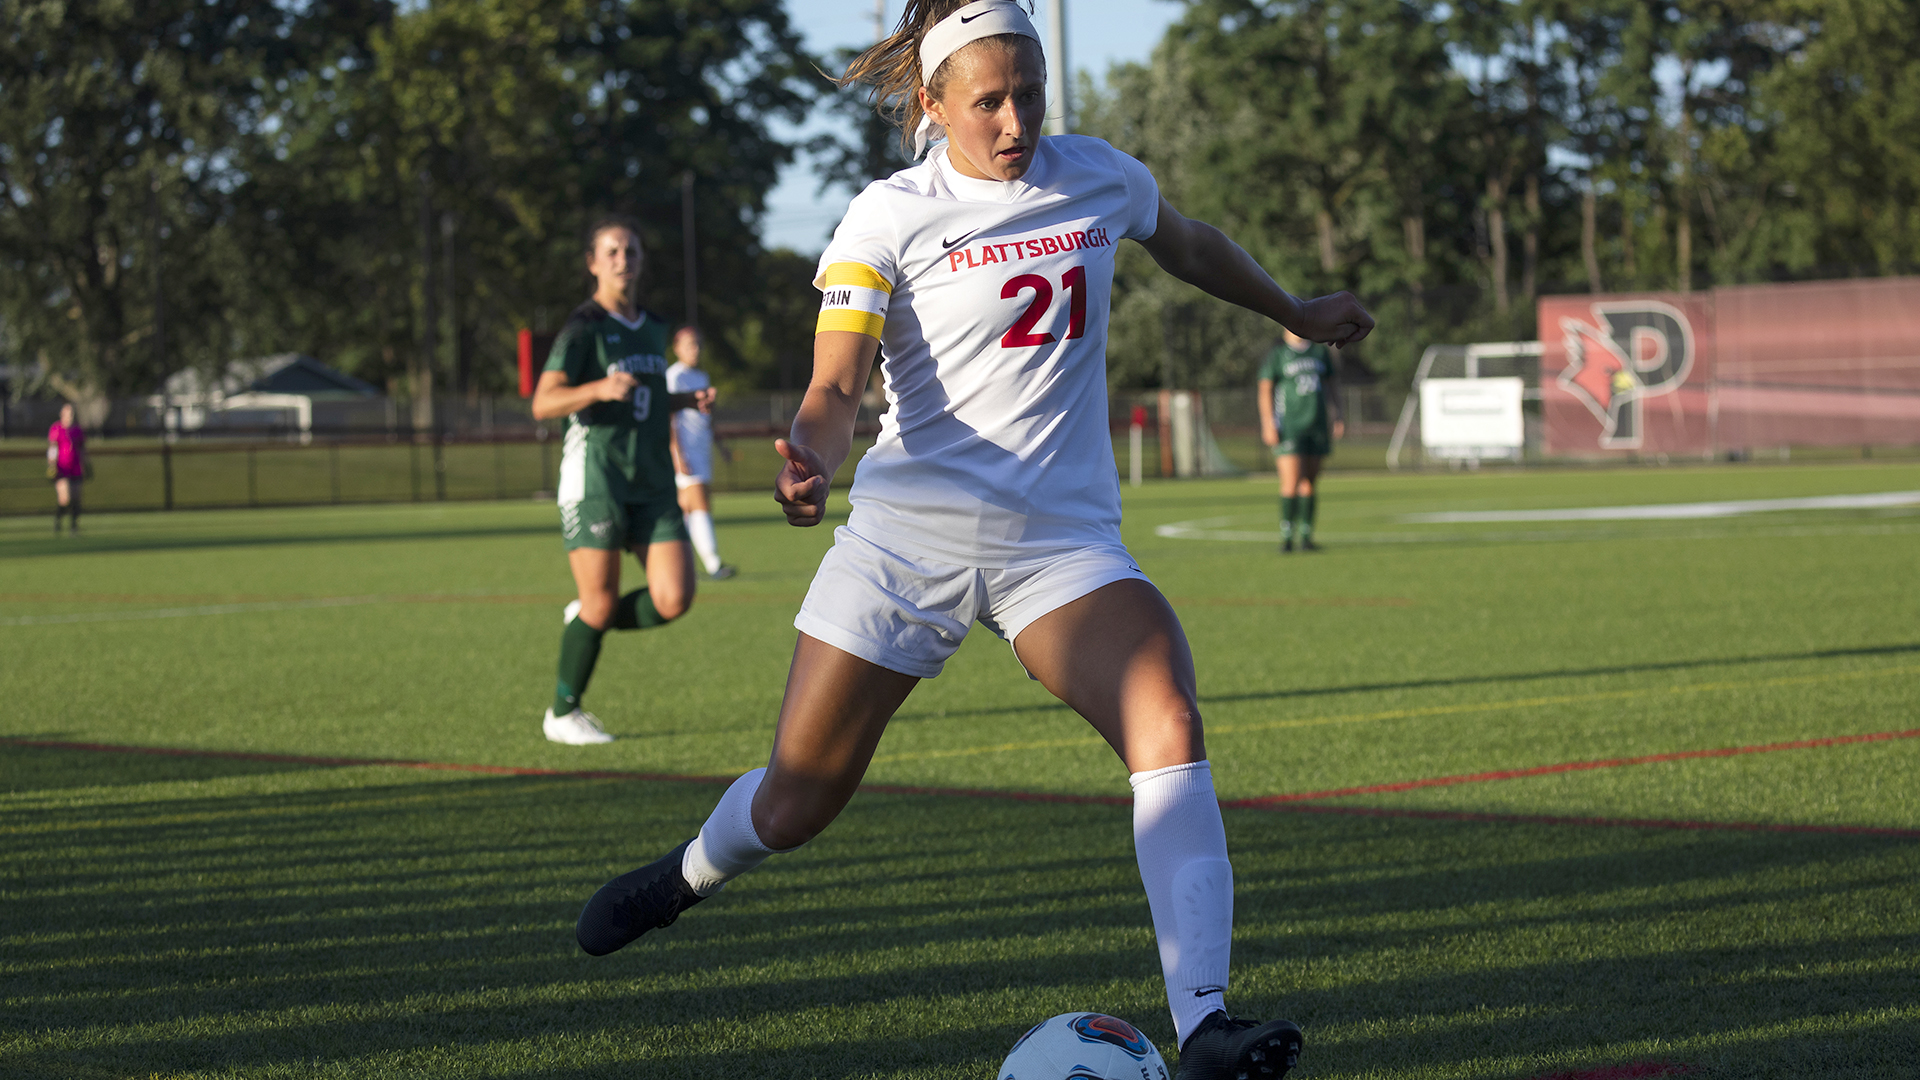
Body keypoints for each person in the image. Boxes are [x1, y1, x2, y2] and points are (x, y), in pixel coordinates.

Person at [572, 4, 1372, 1078]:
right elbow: (834, 383)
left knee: (1165, 710)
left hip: (1062, 547)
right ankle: (684, 877)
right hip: (907, 541)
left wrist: (1293, 310)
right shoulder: (886, 217)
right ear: (933, 102)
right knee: (797, 798)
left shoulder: (1099, 176)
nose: (1013, 119)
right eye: (987, 99)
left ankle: (1205, 1025)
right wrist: (809, 455)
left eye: (1028, 94)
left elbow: (1187, 244)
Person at [530, 218, 716, 746]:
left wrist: (685, 400)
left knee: (673, 598)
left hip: (653, 482)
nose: (622, 259)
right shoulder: (584, 326)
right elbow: (544, 403)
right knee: (600, 600)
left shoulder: (655, 328)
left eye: (630, 250)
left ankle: (587, 621)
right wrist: (597, 388)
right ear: (593, 263)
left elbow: (647, 400)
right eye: (610, 251)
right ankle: (564, 713)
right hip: (597, 480)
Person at [1257, 329, 1343, 552]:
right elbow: (1265, 388)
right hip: (1289, 426)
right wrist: (1268, 423)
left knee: (1309, 483)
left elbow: (1332, 385)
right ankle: (1287, 537)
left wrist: (1339, 415)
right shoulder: (1278, 354)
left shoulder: (1319, 352)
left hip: (1317, 425)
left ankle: (1306, 537)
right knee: (1291, 482)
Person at [665, 326, 736, 579]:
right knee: (700, 504)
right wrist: (677, 454)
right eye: (689, 345)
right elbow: (669, 419)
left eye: (698, 345)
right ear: (677, 348)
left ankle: (677, 566)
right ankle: (714, 564)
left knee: (686, 509)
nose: (695, 350)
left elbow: (708, 417)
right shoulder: (673, 377)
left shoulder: (701, 377)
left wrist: (721, 447)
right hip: (686, 452)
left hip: (702, 448)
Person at [47, 402, 89, 536]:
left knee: (76, 497)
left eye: (72, 413)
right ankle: (57, 522)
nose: (70, 416)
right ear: (62, 414)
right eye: (68, 413)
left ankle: (73, 526)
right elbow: (53, 448)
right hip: (62, 468)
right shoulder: (57, 428)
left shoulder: (77, 430)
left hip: (75, 467)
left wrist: (86, 464)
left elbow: (82, 449)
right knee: (65, 498)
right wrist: (52, 464)